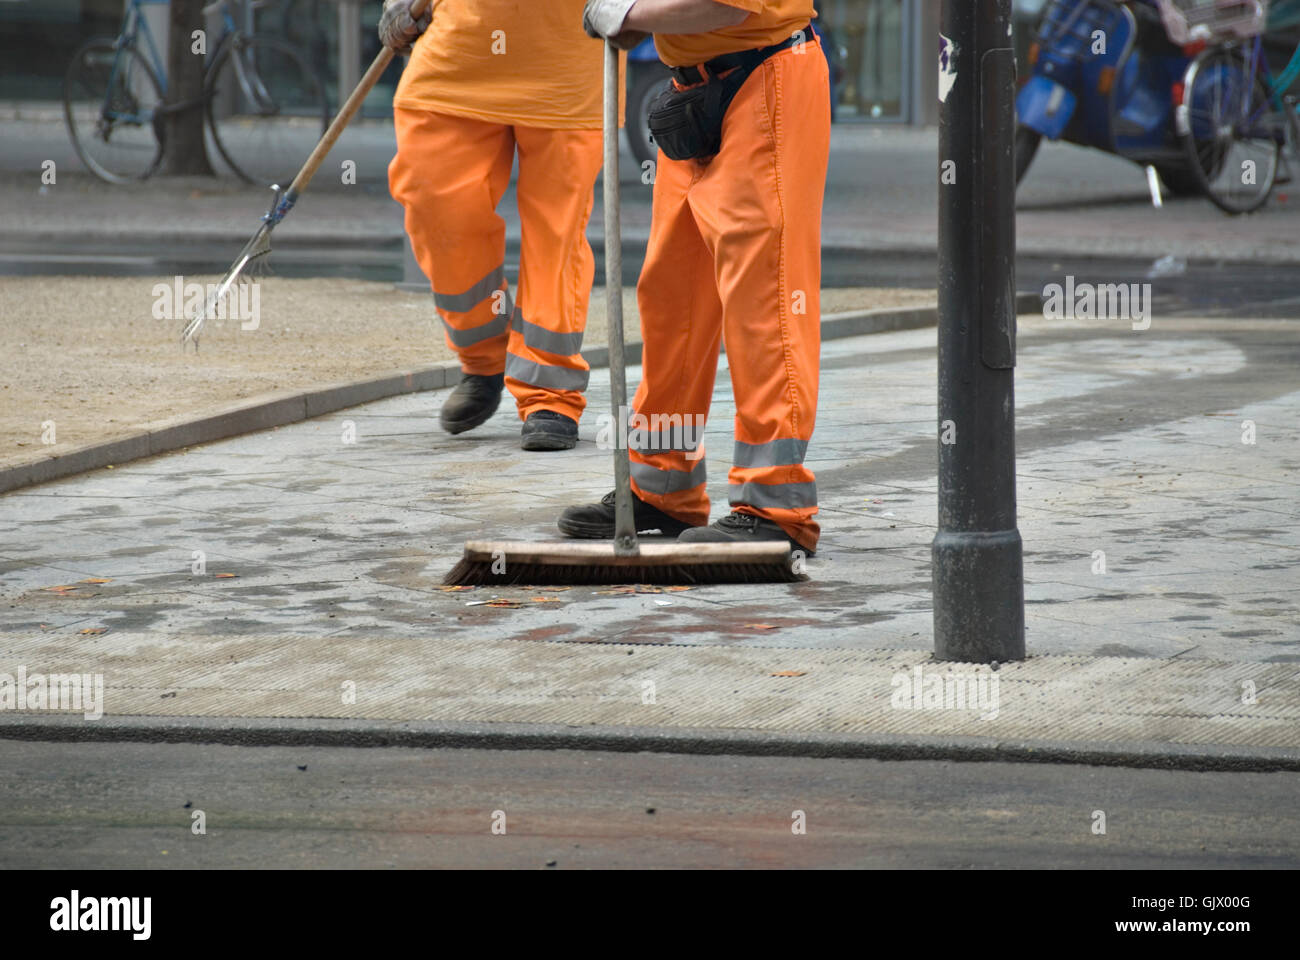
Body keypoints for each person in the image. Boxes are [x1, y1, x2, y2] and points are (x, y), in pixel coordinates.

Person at [561, 0, 829, 555]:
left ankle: (775, 505)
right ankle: (663, 486)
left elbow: (723, 6)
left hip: (764, 72)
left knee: (766, 296)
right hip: (696, 87)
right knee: (673, 295)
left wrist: (631, 13)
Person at [382, 0, 612, 451]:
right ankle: (484, 357)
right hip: (461, 47)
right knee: (433, 201)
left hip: (570, 53)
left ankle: (550, 392)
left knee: (557, 231)